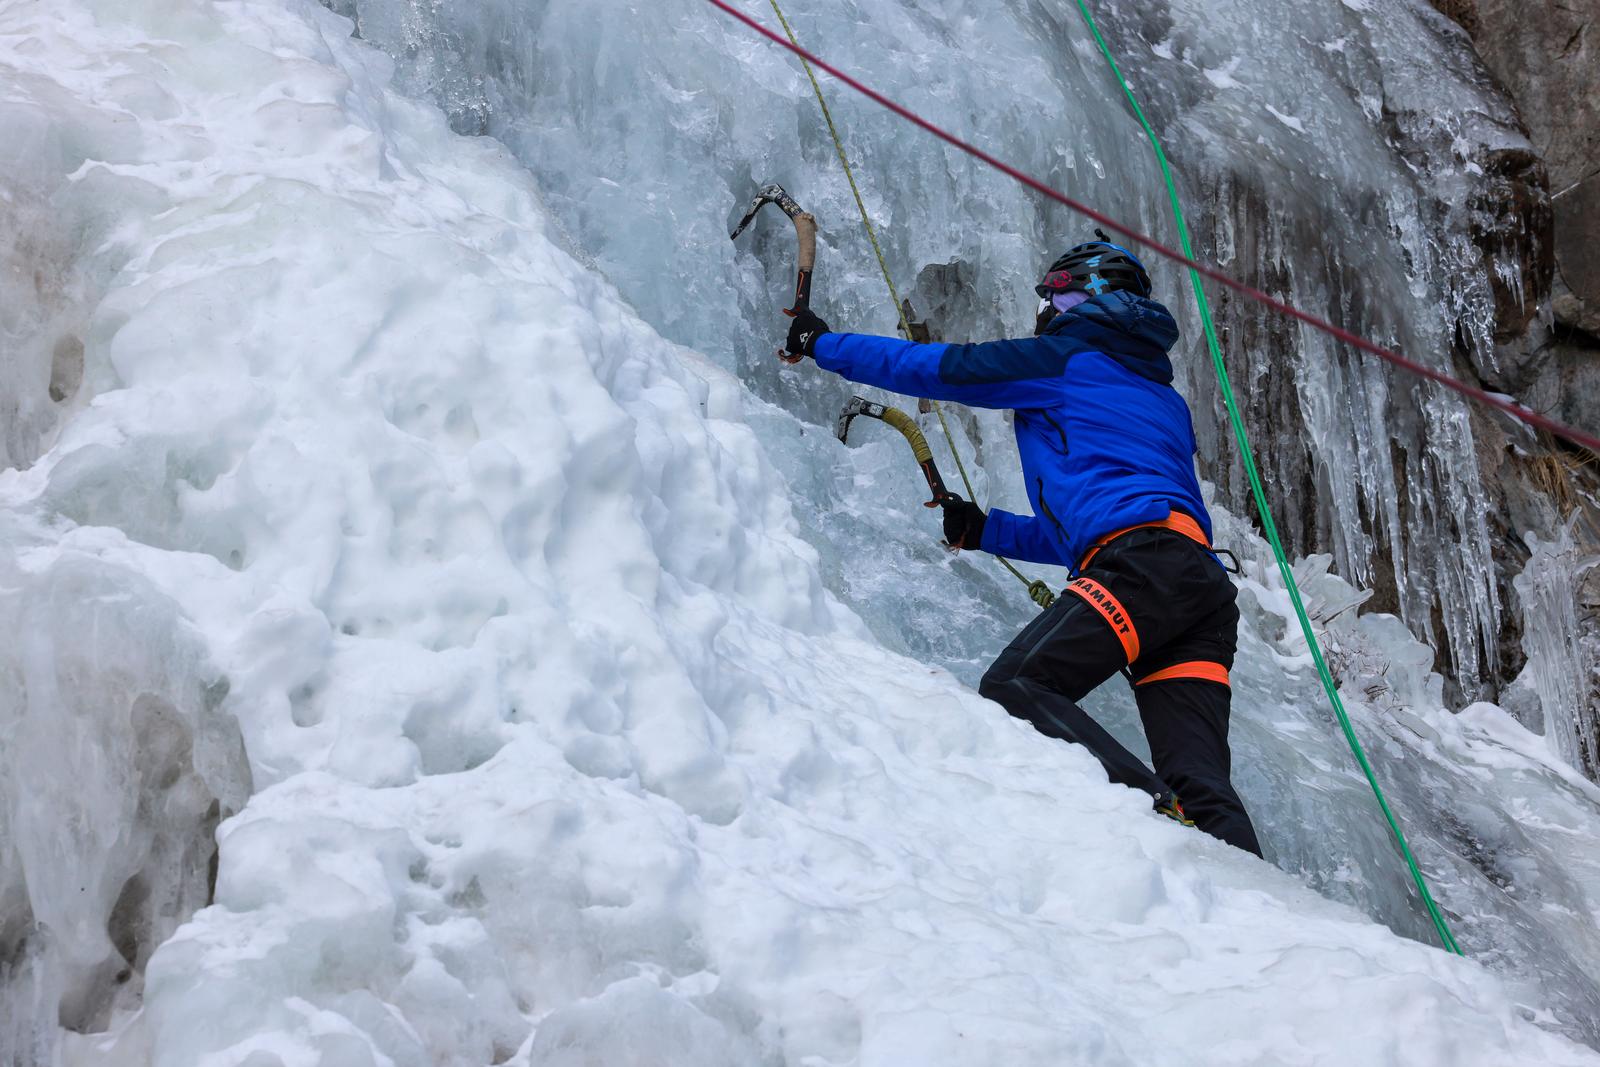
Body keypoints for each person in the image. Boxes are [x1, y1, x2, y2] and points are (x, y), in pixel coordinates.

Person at [784, 237, 1262, 856]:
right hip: (1194, 587)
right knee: (1202, 780)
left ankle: (1166, 824)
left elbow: (940, 367)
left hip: (1143, 566)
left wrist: (823, 345)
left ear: (1086, 294)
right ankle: (1253, 896)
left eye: (1053, 291)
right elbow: (1099, 519)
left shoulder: (1066, 360)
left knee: (1019, 683)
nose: (1044, 303)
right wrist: (989, 531)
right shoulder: (1162, 399)